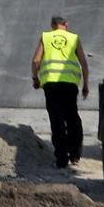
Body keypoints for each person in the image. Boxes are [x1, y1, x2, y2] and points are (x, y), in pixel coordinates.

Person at [32, 15, 89, 168]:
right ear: (66, 24)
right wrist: (85, 85)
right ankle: (75, 154)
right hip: (70, 85)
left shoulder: (46, 37)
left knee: (56, 120)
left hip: (51, 84)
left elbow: (36, 61)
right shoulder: (74, 38)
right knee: (72, 118)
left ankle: (61, 158)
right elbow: (83, 63)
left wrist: (35, 79)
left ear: (52, 25)